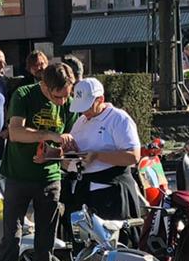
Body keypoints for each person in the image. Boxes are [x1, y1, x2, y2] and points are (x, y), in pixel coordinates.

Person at [0, 61, 74, 261]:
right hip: (18, 178)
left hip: (49, 179)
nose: (62, 100)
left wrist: (51, 152)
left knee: (45, 244)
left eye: (66, 94)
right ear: (44, 85)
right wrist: (49, 134)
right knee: (10, 240)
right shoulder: (24, 95)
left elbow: (66, 144)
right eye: (57, 95)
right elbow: (15, 132)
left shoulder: (68, 102)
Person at [61, 77, 142, 221]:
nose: (84, 111)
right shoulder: (80, 122)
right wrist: (67, 153)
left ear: (100, 99)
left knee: (115, 241)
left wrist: (97, 155)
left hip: (112, 191)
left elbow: (133, 156)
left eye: (87, 106)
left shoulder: (118, 119)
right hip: (85, 189)